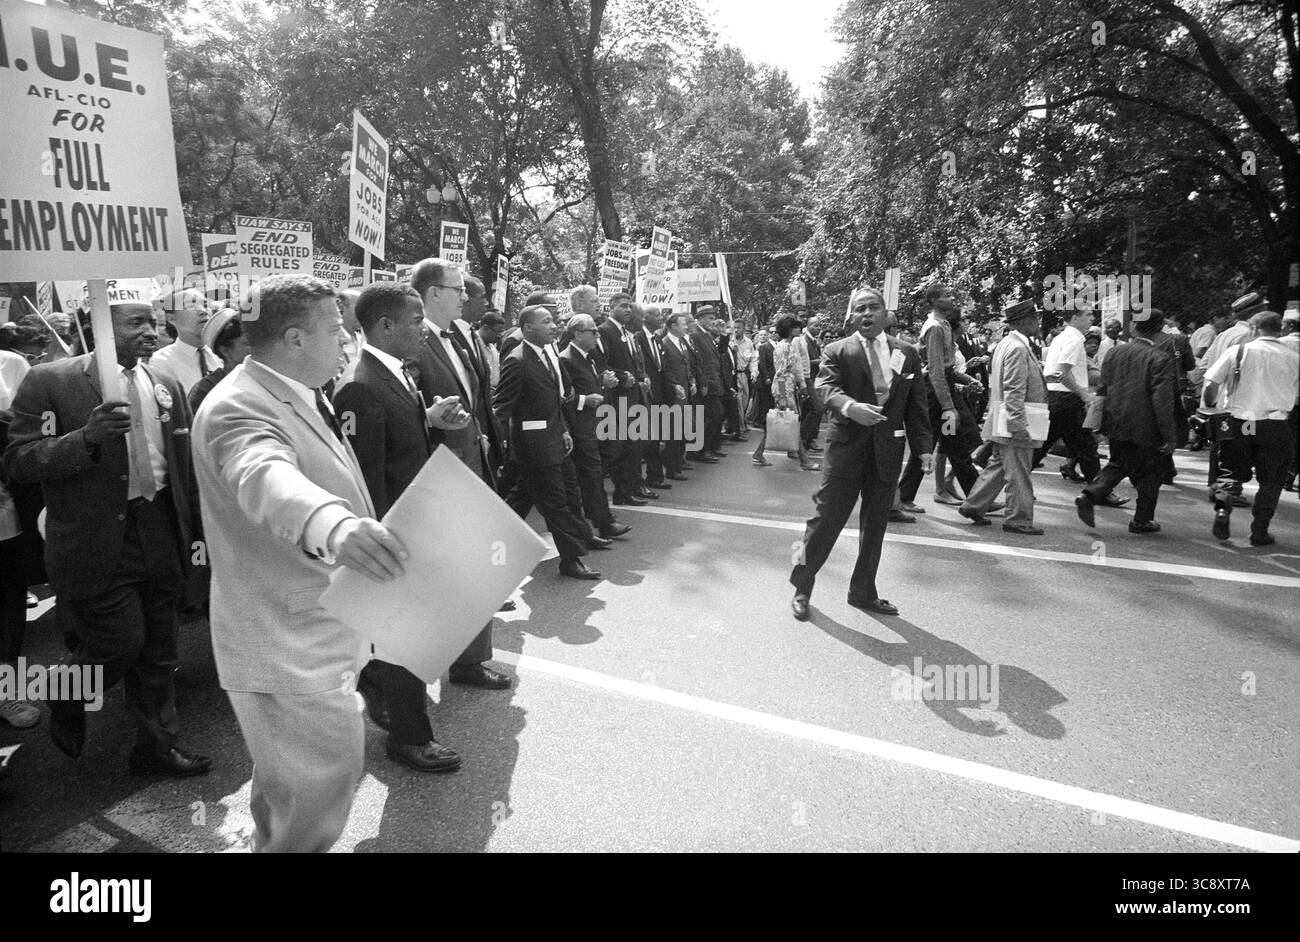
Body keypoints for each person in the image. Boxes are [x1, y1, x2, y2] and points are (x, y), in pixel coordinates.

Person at [192, 273, 406, 852]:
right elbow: (264, 474)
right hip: (285, 645)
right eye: (337, 330)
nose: (347, 342)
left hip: (312, 630)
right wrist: (335, 526)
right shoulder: (239, 405)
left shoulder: (290, 389)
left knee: (289, 790)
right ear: (293, 339)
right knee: (317, 795)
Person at [4, 301, 208, 776]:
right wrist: (86, 438)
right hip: (94, 540)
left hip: (160, 528)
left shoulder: (166, 384)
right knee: (120, 642)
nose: (151, 332)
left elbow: (183, 469)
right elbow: (21, 461)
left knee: (160, 647)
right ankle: (66, 694)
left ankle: (156, 748)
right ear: (97, 326)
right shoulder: (51, 380)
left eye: (155, 323)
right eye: (137, 322)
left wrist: (195, 537)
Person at [333, 282, 466, 772]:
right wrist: (390, 547)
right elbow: (365, 478)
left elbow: (394, 446)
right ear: (386, 327)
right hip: (395, 533)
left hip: (413, 525)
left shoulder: (394, 375)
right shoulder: (361, 385)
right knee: (401, 635)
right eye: (415, 321)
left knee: (403, 635)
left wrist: (429, 421)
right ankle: (409, 738)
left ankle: (381, 690)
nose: (424, 331)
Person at [790, 287, 932, 620]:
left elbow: (917, 406)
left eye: (873, 308)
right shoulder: (837, 350)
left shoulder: (907, 353)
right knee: (824, 521)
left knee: (875, 526)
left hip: (887, 452)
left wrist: (924, 448)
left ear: (885, 314)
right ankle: (801, 585)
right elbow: (824, 389)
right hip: (845, 451)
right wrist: (850, 407)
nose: (866, 314)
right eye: (860, 309)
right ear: (851, 317)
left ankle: (863, 591)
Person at [408, 258, 514, 686]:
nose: (466, 296)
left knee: (476, 567)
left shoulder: (461, 337)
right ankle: (425, 662)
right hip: (441, 473)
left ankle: (470, 660)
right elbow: (406, 403)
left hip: (475, 461)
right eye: (458, 289)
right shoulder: (412, 341)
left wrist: (488, 438)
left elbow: (478, 399)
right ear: (434, 293)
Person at [495, 305, 602, 580]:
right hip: (534, 449)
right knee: (556, 504)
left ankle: (495, 540)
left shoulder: (548, 353)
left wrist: (564, 430)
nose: (554, 325)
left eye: (554, 321)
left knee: (564, 495)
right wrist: (501, 448)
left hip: (556, 440)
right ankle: (570, 560)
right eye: (546, 322)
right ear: (528, 327)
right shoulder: (517, 361)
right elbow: (502, 409)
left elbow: (554, 401)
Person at [1075, 306, 1178, 534]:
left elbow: (1103, 387)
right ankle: (1141, 519)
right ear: (1160, 329)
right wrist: (1170, 437)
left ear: (1133, 326)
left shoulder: (1114, 353)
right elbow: (1162, 401)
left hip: (1116, 421)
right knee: (1151, 473)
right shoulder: (1160, 358)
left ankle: (1090, 494)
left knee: (1119, 462)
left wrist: (1098, 422)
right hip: (1147, 427)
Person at [1203, 310, 1299, 545]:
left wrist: (1211, 404)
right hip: (1275, 426)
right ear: (1281, 330)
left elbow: (1211, 384)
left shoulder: (1238, 351)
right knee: (1271, 479)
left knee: (1231, 471)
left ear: (1255, 329)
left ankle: (1224, 509)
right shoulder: (1294, 357)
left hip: (1243, 423)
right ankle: (1259, 530)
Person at [959, 300, 1048, 535]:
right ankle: (1018, 519)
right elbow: (1014, 389)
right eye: (1034, 319)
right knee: (1018, 471)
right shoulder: (1017, 348)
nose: (1037, 323)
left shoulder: (1006, 345)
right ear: (1021, 322)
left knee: (999, 465)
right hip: (1014, 419)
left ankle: (974, 505)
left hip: (1002, 417)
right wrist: (1017, 424)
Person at [897, 284, 983, 506]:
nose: (952, 298)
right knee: (931, 445)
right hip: (936, 398)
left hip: (942, 394)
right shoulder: (935, 328)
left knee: (956, 447)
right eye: (947, 295)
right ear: (935, 301)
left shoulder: (943, 325)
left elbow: (947, 369)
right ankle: (903, 497)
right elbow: (936, 371)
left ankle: (977, 499)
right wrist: (948, 405)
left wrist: (967, 380)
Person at [561, 313, 633, 540]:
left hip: (594, 424)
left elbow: (591, 386)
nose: (597, 335)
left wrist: (605, 385)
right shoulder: (566, 359)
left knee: (597, 469)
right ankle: (603, 523)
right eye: (592, 331)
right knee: (590, 475)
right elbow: (563, 397)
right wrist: (585, 400)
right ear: (577, 334)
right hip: (580, 428)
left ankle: (596, 518)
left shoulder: (588, 357)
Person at [1199, 292, 1265, 504]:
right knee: (1240, 447)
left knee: (1221, 444)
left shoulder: (1223, 334)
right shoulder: (1248, 337)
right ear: (1254, 313)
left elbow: (1204, 364)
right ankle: (1229, 491)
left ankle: (1216, 487)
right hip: (1239, 402)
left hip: (1216, 399)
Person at [1035, 300, 1101, 483]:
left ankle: (1014, 480)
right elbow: (1062, 373)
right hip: (1068, 399)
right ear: (1074, 317)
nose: (1092, 318)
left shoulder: (1061, 338)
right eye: (1088, 314)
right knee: (1086, 446)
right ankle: (1100, 490)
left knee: (1040, 447)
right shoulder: (1073, 340)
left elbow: (1053, 374)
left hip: (1056, 397)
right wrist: (1083, 394)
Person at [755, 315, 818, 470]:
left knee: (784, 421)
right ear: (790, 329)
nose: (799, 329)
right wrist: (783, 396)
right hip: (783, 387)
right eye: (796, 326)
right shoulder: (783, 347)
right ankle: (805, 460)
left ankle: (758, 453)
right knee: (792, 422)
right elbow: (781, 373)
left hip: (787, 386)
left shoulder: (788, 345)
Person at [146, 288, 220, 396]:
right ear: (172, 319)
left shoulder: (222, 353)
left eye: (205, 305)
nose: (203, 311)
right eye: (191, 306)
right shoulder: (161, 362)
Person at [187, 307, 250, 413]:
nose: (256, 348)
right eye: (247, 343)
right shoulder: (205, 391)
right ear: (225, 351)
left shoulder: (262, 381)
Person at [658, 312, 696, 480]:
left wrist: (691, 381)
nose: (686, 326)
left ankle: (679, 461)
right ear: (673, 326)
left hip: (685, 391)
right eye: (683, 324)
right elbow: (665, 369)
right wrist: (674, 386)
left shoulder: (682, 342)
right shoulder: (665, 344)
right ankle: (671, 468)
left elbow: (687, 365)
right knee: (672, 432)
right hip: (674, 395)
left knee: (681, 430)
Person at [688, 305, 726, 460]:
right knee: (712, 416)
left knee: (716, 415)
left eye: (713, 318)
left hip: (714, 382)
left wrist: (724, 334)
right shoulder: (696, 335)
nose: (713, 321)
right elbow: (698, 362)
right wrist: (702, 383)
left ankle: (710, 447)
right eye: (710, 318)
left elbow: (720, 353)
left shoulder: (707, 335)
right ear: (701, 319)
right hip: (706, 384)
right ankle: (701, 450)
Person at [478, 310, 507, 392]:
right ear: (485, 328)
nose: (499, 337)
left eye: (501, 333)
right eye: (497, 332)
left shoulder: (493, 348)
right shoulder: (475, 346)